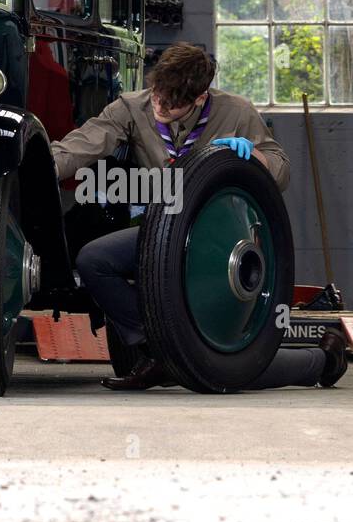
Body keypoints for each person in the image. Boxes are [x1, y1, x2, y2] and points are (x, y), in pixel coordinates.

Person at [52, 42, 347, 392]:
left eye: (171, 101)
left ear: (199, 97)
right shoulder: (132, 108)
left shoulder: (236, 112)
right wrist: (35, 168)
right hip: (160, 234)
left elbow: (280, 169)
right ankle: (158, 351)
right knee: (94, 260)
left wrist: (253, 155)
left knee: (217, 367)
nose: (159, 105)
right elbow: (77, 147)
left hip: (217, 241)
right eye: (158, 94)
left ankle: (325, 361)